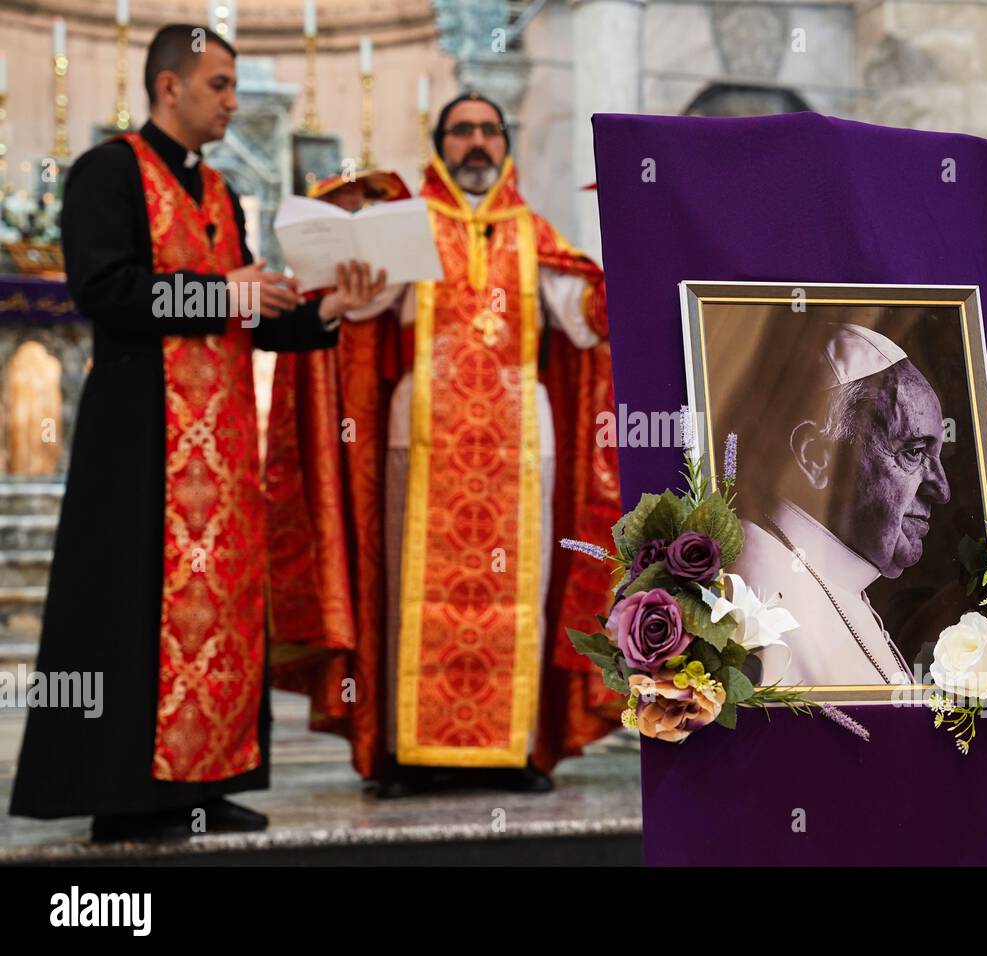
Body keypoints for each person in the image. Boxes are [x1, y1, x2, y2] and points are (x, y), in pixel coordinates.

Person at [9, 24, 385, 841]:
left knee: (223, 619)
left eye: (233, 85)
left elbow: (254, 318)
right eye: (220, 85)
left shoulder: (217, 188)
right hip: (142, 442)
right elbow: (106, 290)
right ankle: (126, 796)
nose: (232, 103)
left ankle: (208, 784)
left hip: (222, 449)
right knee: (131, 612)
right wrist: (226, 294)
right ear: (169, 87)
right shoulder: (108, 172)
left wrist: (329, 309)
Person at [265, 92, 622, 795]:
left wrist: (633, 252)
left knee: (524, 594)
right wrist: (351, 267)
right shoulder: (409, 224)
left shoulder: (533, 232)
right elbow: (363, 305)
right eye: (462, 131)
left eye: (489, 129)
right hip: (421, 442)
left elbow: (585, 319)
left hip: (523, 448)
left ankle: (515, 751)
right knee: (411, 596)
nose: (477, 142)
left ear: (506, 143)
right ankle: (409, 750)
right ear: (440, 144)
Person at [734, 323, 950, 687]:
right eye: (913, 452)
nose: (942, 490)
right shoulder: (754, 585)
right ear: (817, 457)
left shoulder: (841, 581)